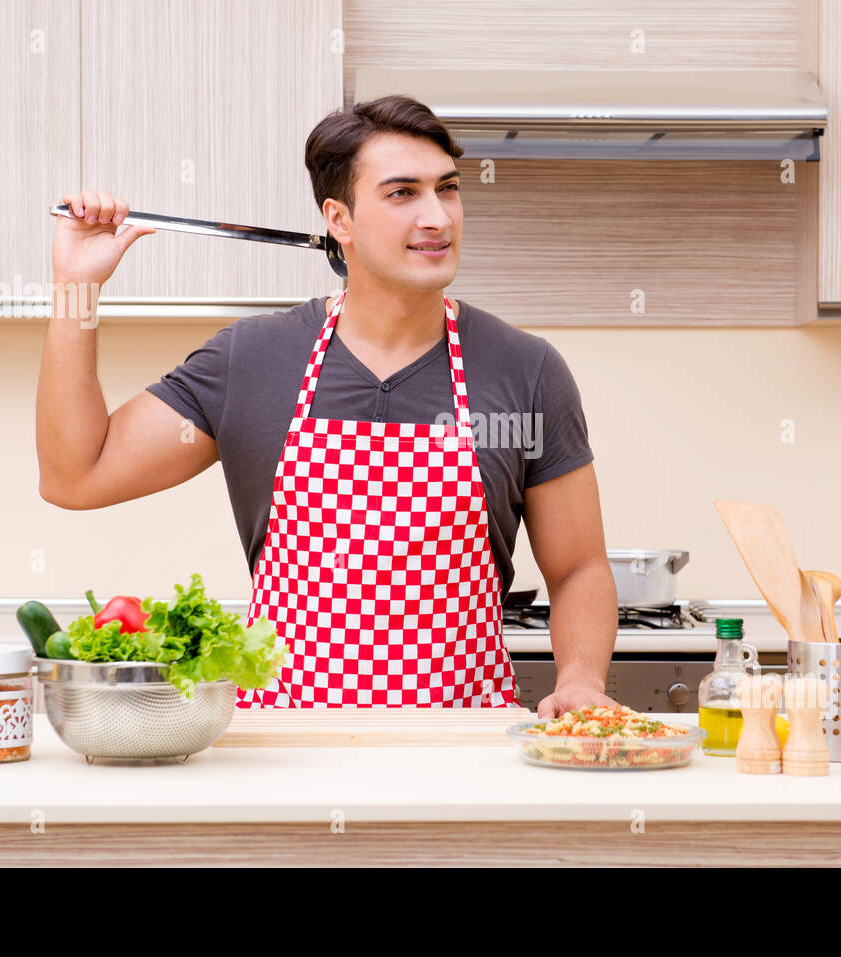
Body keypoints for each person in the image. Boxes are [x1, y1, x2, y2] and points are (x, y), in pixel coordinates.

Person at [37, 94, 619, 717]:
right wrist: (77, 289)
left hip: (460, 750)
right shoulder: (253, 359)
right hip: (282, 754)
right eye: (402, 194)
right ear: (339, 220)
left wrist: (582, 680)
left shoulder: (525, 369)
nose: (437, 217)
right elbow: (77, 475)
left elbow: (579, 567)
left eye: (446, 189)